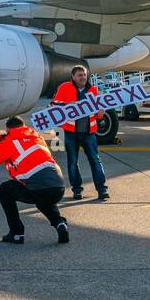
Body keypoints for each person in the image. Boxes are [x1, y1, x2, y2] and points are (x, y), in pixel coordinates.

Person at [0, 115, 70, 245]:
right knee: (43, 197)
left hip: (39, 188)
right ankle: (60, 224)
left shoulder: (10, 142)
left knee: (5, 189)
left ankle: (17, 233)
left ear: (8, 130)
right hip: (59, 186)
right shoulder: (37, 137)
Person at [49, 65, 109, 201]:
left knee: (95, 161)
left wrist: (101, 114)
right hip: (71, 133)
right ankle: (77, 190)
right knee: (72, 162)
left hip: (89, 133)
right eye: (80, 75)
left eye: (84, 75)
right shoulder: (65, 87)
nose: (83, 77)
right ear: (73, 77)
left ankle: (102, 189)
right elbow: (54, 105)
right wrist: (68, 107)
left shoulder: (92, 90)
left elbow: (98, 112)